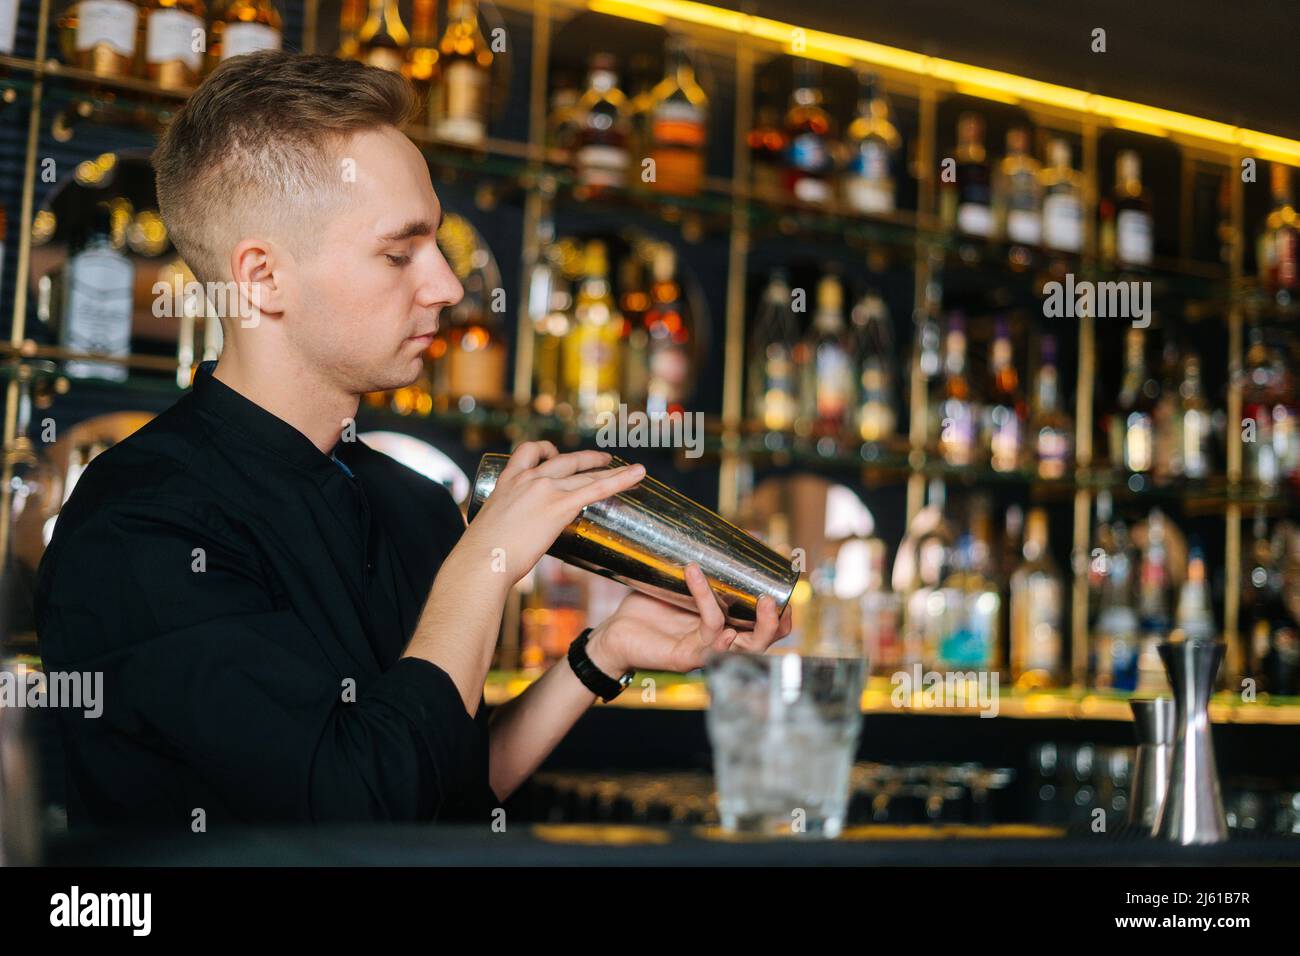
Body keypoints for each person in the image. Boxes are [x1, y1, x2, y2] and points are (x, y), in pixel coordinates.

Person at [33, 50, 790, 828]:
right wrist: (484, 566)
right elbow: (353, 807)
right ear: (261, 278)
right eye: (400, 253)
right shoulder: (141, 526)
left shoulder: (411, 501)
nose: (449, 287)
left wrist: (604, 655)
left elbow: (440, 788)